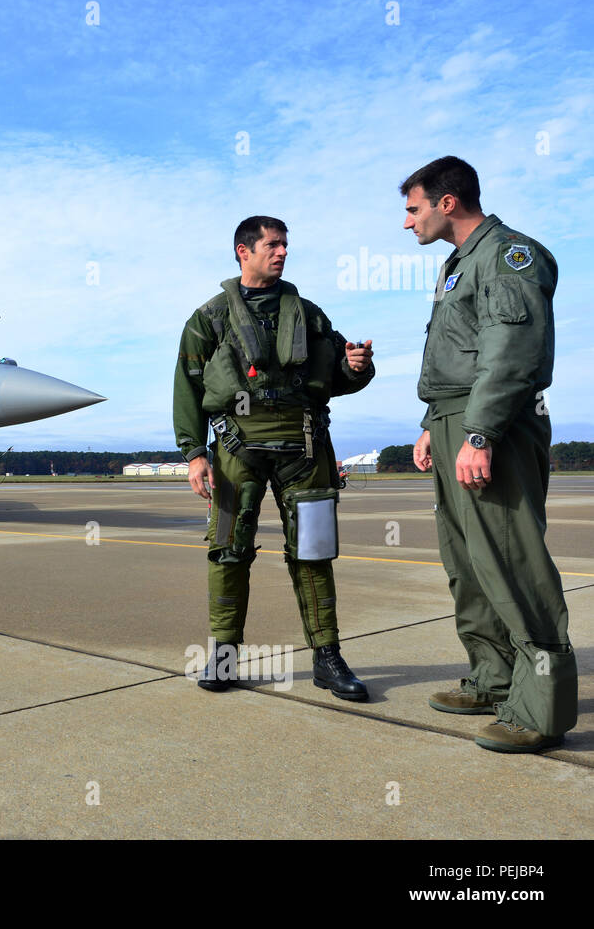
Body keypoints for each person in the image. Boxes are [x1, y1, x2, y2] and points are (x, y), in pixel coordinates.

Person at [401, 155, 574, 753]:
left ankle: (540, 709)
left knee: (510, 557)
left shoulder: (508, 255)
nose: (407, 222)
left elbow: (510, 354)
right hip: (454, 419)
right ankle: (495, 676)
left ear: (447, 202)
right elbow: (456, 355)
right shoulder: (458, 266)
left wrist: (480, 434)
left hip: (490, 424)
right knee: (468, 561)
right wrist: (433, 423)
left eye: (412, 208)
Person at [173, 216, 374, 699]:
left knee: (314, 551)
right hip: (234, 449)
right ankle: (223, 658)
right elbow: (188, 385)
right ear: (243, 252)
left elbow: (340, 377)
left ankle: (327, 657)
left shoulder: (308, 313)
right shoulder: (209, 318)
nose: (282, 252)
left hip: (304, 447)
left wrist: (356, 367)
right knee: (226, 551)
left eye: (285, 244)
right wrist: (194, 453)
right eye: (272, 244)